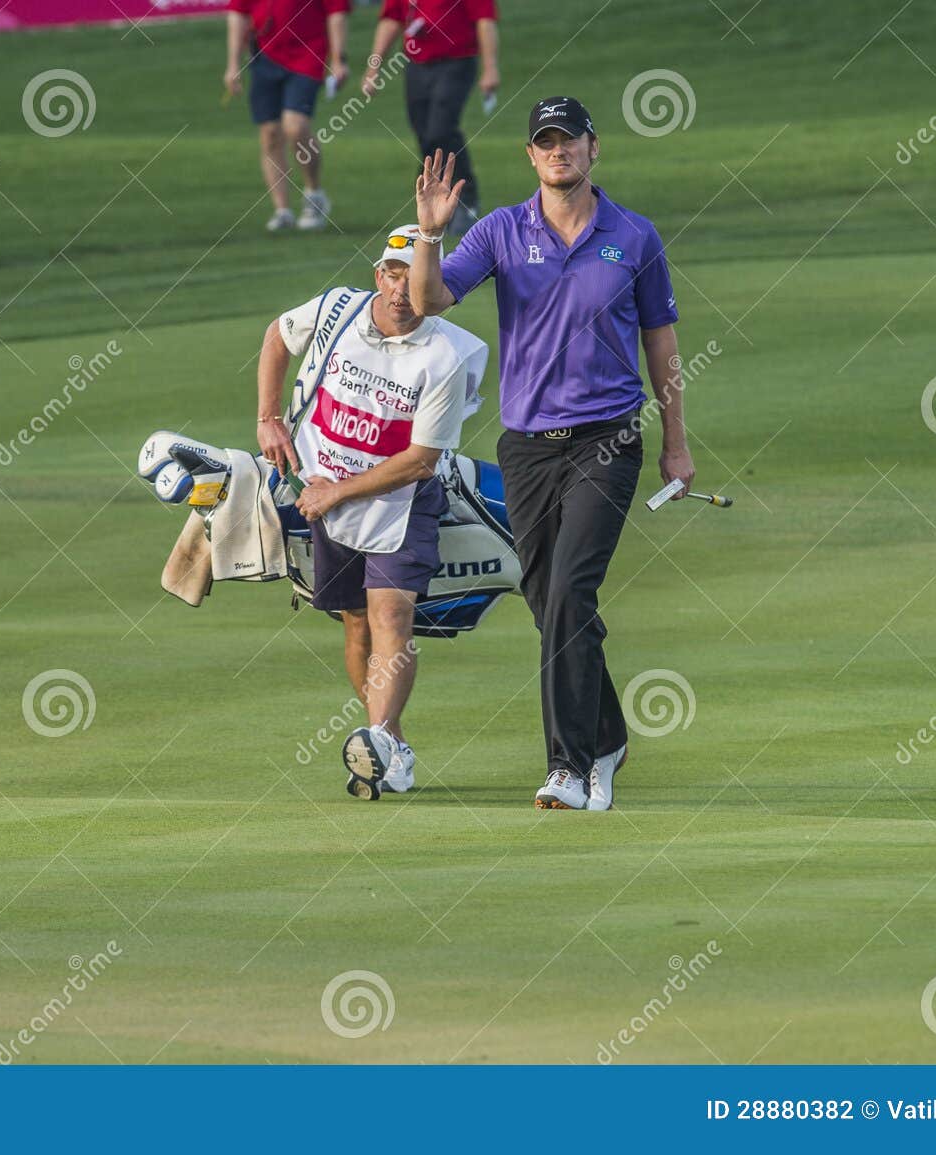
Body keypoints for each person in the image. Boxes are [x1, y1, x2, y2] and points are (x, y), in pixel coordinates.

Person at [407, 97, 697, 812]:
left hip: (609, 438)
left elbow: (662, 343)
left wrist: (676, 444)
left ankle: (569, 766)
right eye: (546, 142)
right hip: (528, 448)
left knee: (570, 592)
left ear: (594, 149)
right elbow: (429, 299)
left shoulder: (634, 236)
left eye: (570, 139)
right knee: (550, 603)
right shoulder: (504, 231)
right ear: (530, 155)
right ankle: (609, 735)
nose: (558, 151)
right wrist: (429, 234)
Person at [256, 226, 487, 800]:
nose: (400, 289)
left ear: (431, 284)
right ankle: (393, 748)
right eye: (391, 273)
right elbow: (276, 337)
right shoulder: (338, 308)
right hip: (322, 496)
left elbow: (420, 462)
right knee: (356, 623)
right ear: (376, 274)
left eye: (413, 277)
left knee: (390, 621)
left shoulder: (447, 356)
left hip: (398, 506)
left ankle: (379, 736)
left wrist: (338, 492)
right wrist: (268, 416)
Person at [364, 0, 499, 235]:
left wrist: (490, 67)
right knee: (425, 134)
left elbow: (484, 21)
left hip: (456, 60)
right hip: (417, 64)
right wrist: (374, 67)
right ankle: (435, 200)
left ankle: (466, 199)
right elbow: (391, 20)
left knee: (442, 129)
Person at [225, 0, 350, 232]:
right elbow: (238, 12)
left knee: (296, 125)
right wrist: (233, 63)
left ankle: (314, 194)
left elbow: (336, 12)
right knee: (270, 133)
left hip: (307, 53)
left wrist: (338, 58)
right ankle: (282, 210)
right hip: (264, 55)